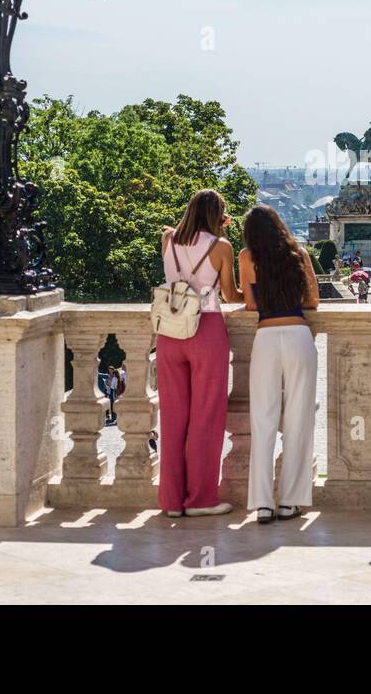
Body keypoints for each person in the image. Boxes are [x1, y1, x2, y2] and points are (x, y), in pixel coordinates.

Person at [156, 189, 241, 519]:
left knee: (173, 417)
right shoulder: (221, 247)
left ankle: (172, 501)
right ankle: (201, 499)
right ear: (218, 215)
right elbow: (231, 295)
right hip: (205, 327)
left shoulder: (168, 238)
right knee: (206, 416)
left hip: (170, 328)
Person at [239, 205, 321, 523]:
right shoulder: (298, 253)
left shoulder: (247, 257)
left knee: (263, 421)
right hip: (299, 335)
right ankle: (290, 501)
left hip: (267, 336)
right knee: (299, 419)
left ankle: (262, 503)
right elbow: (313, 300)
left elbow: (249, 303)